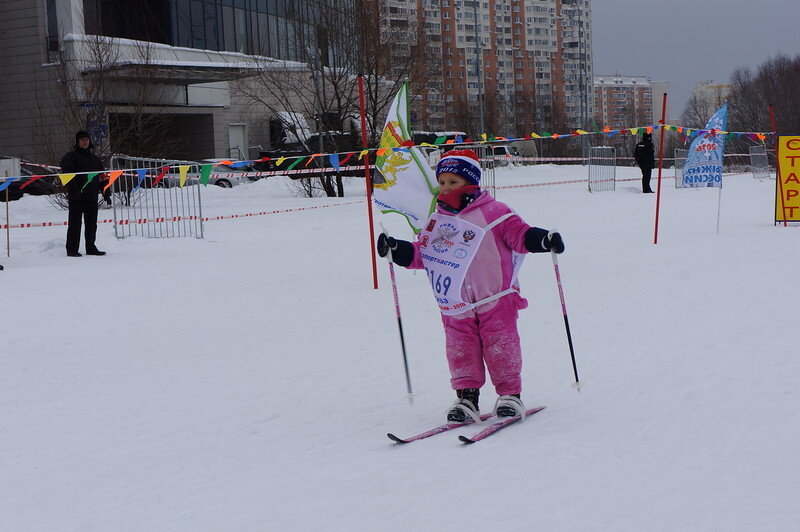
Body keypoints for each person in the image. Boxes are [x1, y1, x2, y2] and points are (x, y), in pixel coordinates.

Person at [377, 149, 564, 422]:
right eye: (442, 182)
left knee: (501, 345)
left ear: (471, 182)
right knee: (459, 349)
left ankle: (510, 395)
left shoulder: (495, 212)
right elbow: (426, 255)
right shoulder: (438, 220)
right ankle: (467, 398)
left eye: (453, 182)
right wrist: (397, 250)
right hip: (455, 302)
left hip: (495, 296)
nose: (445, 188)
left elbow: (520, 236)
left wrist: (544, 240)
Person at [60, 131, 107, 257]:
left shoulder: (95, 159)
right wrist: (75, 191)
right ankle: (72, 249)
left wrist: (106, 192)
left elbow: (102, 177)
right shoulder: (70, 157)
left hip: (91, 196)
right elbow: (68, 176)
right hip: (77, 197)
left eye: (86, 139)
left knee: (92, 224)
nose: (85, 142)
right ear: (77, 142)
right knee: (75, 224)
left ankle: (91, 247)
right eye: (82, 140)